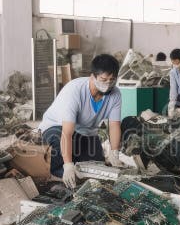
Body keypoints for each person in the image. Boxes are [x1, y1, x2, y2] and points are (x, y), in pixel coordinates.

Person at [39, 54, 124, 188]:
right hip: (57, 127)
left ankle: (75, 166)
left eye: (112, 80)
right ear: (92, 76)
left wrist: (114, 152)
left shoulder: (115, 94)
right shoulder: (75, 90)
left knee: (97, 168)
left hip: (85, 131)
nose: (108, 84)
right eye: (103, 79)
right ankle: (57, 174)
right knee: (62, 151)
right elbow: (66, 133)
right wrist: (68, 166)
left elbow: (114, 125)